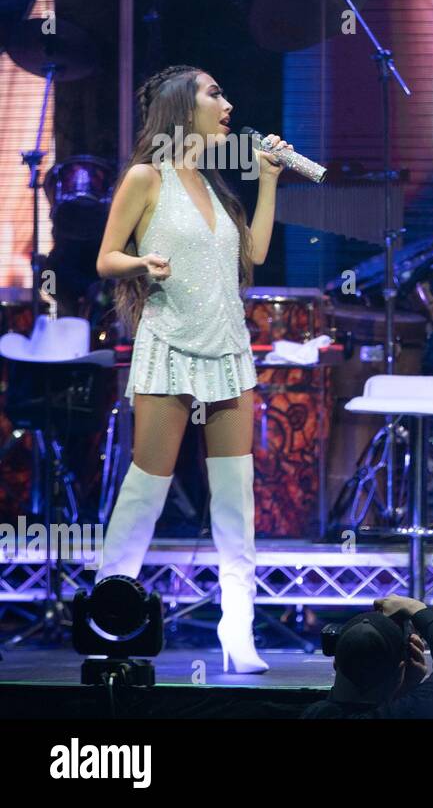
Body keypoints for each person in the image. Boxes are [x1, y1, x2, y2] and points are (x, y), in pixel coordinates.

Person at [94, 65, 292, 673]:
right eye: (215, 93)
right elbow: (105, 258)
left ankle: (238, 632)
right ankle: (110, 613)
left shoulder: (212, 183)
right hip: (170, 345)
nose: (227, 103)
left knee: (236, 498)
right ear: (184, 107)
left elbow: (254, 254)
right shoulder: (145, 177)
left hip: (228, 348)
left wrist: (267, 182)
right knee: (145, 489)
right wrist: (140, 263)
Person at [301, 596, 433, 719]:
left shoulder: (313, 713)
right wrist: (415, 607)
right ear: (402, 668)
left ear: (335, 663)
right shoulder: (411, 712)